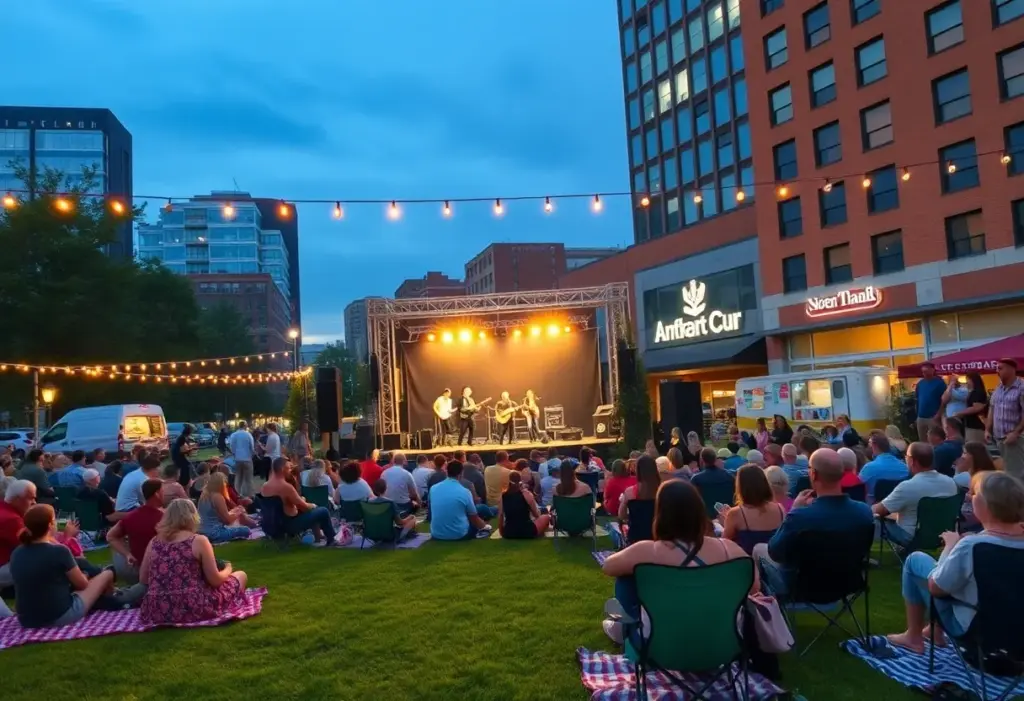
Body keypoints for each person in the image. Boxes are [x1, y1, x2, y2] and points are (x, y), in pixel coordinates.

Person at [600, 479, 758, 644]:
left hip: (659, 649)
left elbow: (608, 566)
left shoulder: (646, 552)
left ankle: (629, 626)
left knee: (625, 578)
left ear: (660, 514)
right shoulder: (729, 550)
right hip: (721, 645)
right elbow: (755, 588)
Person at [887, 471, 1024, 654]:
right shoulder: (981, 543)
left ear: (985, 505)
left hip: (977, 633)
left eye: (974, 493)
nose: (969, 496)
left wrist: (950, 547)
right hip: (1017, 636)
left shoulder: (973, 546)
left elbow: (937, 587)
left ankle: (913, 637)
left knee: (915, 561)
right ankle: (932, 631)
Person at [755, 450, 875, 596]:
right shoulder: (864, 512)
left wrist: (793, 511)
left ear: (814, 474)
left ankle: (764, 608)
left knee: (759, 549)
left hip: (802, 590)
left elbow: (775, 552)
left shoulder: (800, 517)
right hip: (847, 585)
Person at [138, 499, 248, 625]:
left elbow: (143, 579)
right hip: (194, 606)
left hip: (156, 609)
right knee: (241, 576)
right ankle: (233, 601)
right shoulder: (198, 540)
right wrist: (228, 569)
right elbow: (215, 581)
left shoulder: (154, 542)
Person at [9, 503, 115, 628]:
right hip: (58, 616)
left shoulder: (17, 552)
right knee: (108, 573)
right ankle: (113, 601)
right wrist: (85, 575)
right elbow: (82, 585)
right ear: (50, 525)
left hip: (27, 620)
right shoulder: (59, 551)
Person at [873, 442, 958, 548]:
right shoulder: (950, 483)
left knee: (873, 519)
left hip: (911, 537)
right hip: (942, 535)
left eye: (906, 457)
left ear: (912, 461)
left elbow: (878, 510)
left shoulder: (908, 486)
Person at [261, 457, 340, 545]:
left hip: (270, 525)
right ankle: (331, 540)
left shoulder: (265, 486)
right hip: (288, 526)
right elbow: (304, 507)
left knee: (310, 510)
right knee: (322, 511)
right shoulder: (286, 487)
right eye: (289, 468)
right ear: (283, 469)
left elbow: (281, 506)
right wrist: (313, 505)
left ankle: (318, 536)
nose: (291, 471)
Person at [106, 479, 164, 585]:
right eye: (163, 491)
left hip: (139, 569)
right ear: (157, 494)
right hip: (160, 571)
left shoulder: (131, 516)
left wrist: (127, 554)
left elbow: (110, 536)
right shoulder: (164, 518)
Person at [719, 465, 786, 554]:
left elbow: (725, 544)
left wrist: (725, 523)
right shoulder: (780, 508)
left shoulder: (736, 513)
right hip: (775, 563)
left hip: (749, 564)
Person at [429, 460, 492, 540]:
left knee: (479, 509)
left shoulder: (433, 488)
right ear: (461, 474)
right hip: (459, 535)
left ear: (447, 472)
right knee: (480, 511)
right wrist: (485, 527)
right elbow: (474, 518)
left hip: (436, 534)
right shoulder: (465, 492)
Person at [986, 358, 1024, 479]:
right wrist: (987, 429)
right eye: (997, 368)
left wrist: (1016, 433)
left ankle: (1017, 497)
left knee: (1015, 473)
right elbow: (992, 409)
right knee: (1006, 470)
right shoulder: (998, 388)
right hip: (998, 438)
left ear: (1011, 369)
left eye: (1000, 368)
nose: (997, 371)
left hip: (1014, 438)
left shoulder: (1021, 388)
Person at [198, 472, 254, 543]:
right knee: (246, 530)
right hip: (214, 533)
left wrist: (234, 511)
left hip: (201, 532)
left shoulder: (204, 495)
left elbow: (219, 517)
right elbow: (227, 521)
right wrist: (239, 512)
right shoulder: (217, 497)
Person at [498, 471, 550, 539]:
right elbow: (537, 514)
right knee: (546, 517)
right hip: (527, 531)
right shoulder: (526, 494)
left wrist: (502, 532)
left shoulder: (503, 496)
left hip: (509, 532)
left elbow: (500, 516)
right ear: (521, 481)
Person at [859, 432, 910, 501]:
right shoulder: (905, 468)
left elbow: (857, 486)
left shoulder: (868, 468)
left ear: (874, 446)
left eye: (869, 445)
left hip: (873, 508)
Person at [952, 371, 988, 444]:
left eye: (968, 379)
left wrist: (960, 413)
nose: (967, 382)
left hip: (976, 426)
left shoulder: (977, 392)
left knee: (974, 447)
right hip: (970, 425)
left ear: (973, 380)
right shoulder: (972, 392)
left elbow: (977, 407)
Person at [915, 362, 947, 441]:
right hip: (921, 418)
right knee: (923, 441)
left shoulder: (940, 383)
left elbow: (945, 401)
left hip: (933, 418)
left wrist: (938, 414)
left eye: (926, 371)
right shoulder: (920, 384)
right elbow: (917, 399)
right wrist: (917, 416)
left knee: (935, 440)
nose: (924, 373)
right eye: (923, 372)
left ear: (932, 370)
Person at [228, 421, 256, 497]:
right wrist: (251, 455)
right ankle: (249, 495)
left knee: (238, 478)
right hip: (247, 459)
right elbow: (252, 447)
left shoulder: (234, 435)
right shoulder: (248, 435)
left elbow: (231, 447)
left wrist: (234, 454)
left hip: (237, 459)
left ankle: (237, 494)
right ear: (245, 426)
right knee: (249, 479)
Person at [170, 424, 195, 490]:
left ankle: (185, 485)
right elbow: (181, 451)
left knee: (186, 468)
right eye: (191, 431)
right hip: (179, 460)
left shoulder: (181, 438)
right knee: (185, 470)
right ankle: (184, 486)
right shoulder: (182, 439)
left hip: (178, 458)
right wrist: (190, 450)